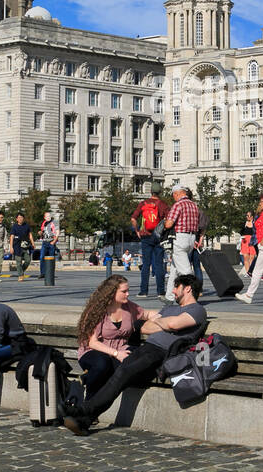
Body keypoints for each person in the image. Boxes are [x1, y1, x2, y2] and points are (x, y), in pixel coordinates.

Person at [63, 274, 207, 435]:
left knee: (123, 372)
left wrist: (164, 322)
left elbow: (172, 324)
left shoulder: (197, 310)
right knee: (121, 373)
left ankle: (84, 411)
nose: (172, 291)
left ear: (187, 289)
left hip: (163, 352)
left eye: (176, 287)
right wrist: (165, 322)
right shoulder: (170, 309)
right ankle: (85, 420)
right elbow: (145, 327)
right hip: (147, 348)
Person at [75, 275, 148, 399]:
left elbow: (146, 314)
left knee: (128, 365)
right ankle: (89, 400)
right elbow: (92, 343)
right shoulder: (97, 310)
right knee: (102, 364)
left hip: (121, 349)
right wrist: (116, 353)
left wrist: (166, 317)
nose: (128, 294)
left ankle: (87, 382)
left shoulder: (129, 307)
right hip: (93, 351)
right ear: (112, 292)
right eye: (124, 291)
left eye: (128, 290)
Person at [161, 184, 199, 298]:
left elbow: (169, 224)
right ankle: (169, 296)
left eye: (174, 196)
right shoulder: (194, 205)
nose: (174, 198)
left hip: (180, 238)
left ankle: (192, 295)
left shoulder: (178, 205)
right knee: (175, 268)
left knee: (185, 270)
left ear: (177, 193)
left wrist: (163, 222)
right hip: (191, 238)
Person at [131, 186, 168, 298]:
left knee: (146, 264)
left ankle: (143, 291)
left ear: (151, 191)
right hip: (158, 236)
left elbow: (133, 219)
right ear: (160, 192)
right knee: (159, 264)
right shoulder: (163, 205)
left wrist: (137, 230)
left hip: (145, 236)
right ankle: (161, 292)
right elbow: (169, 221)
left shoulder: (143, 203)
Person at [10, 213, 33, 279]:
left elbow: (30, 235)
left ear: (23, 218)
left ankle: (21, 271)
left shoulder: (26, 226)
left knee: (28, 260)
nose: (20, 219)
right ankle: (20, 275)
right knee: (18, 262)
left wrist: (33, 243)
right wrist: (11, 247)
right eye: (19, 217)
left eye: (21, 217)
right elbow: (11, 237)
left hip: (25, 246)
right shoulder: (14, 226)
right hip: (17, 246)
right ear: (16, 219)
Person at [239, 211, 257, 277]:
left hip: (253, 240)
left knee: (252, 256)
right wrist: (242, 236)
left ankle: (251, 271)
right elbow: (241, 232)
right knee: (246, 257)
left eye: (249, 215)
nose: (247, 217)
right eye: (247, 215)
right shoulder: (244, 223)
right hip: (245, 241)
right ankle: (247, 272)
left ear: (252, 216)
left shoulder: (255, 223)